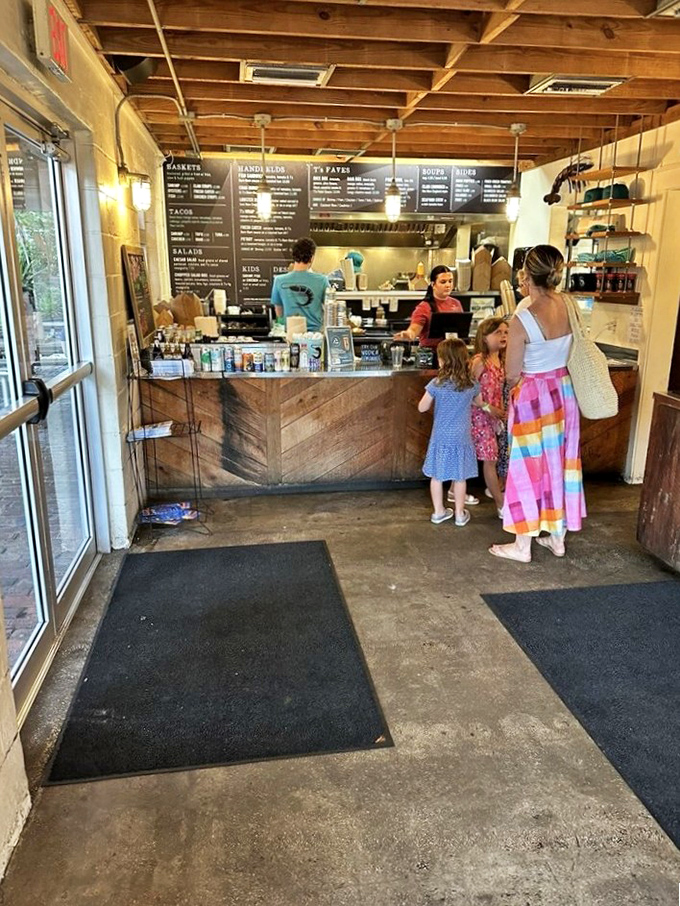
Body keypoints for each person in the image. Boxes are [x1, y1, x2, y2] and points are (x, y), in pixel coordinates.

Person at [490, 245, 586, 563]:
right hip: (563, 390)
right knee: (560, 462)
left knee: (527, 466)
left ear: (526, 275)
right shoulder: (569, 304)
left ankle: (522, 546)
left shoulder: (523, 318)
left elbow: (512, 372)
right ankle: (557, 539)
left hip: (533, 395)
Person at [418, 339, 486, 527]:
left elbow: (422, 407)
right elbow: (479, 403)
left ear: (442, 361)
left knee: (437, 476)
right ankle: (459, 515)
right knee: (460, 477)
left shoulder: (436, 383)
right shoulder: (471, 384)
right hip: (462, 437)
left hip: (440, 437)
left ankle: (439, 512)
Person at [469, 317, 508, 516]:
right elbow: (467, 391)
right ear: (484, 337)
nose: (503, 336)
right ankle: (501, 505)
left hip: (493, 417)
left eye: (506, 332)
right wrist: (487, 407)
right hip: (478, 416)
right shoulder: (479, 361)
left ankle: (453, 491)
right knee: (490, 459)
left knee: (489, 457)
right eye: (498, 332)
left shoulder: (501, 360)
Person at [393, 265, 463, 347]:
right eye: (443, 282)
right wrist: (408, 334)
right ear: (433, 284)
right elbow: (414, 330)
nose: (448, 285)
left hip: (452, 350)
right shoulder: (424, 307)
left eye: (450, 281)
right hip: (430, 351)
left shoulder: (456, 303)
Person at [271, 237, 329, 332]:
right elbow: (329, 307)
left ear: (294, 256)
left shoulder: (279, 280)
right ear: (312, 258)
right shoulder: (322, 280)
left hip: (291, 333)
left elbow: (279, 312)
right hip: (315, 334)